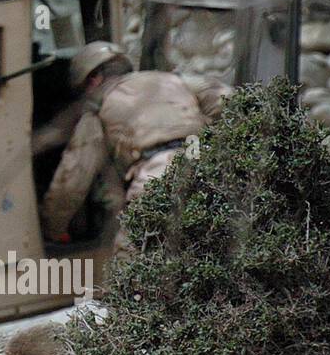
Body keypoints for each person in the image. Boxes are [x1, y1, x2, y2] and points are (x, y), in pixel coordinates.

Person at [39, 41, 228, 251]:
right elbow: (230, 100)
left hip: (158, 174)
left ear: (93, 80)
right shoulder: (174, 79)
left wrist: (53, 229)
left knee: (129, 261)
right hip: (208, 169)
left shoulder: (98, 107)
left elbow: (73, 177)